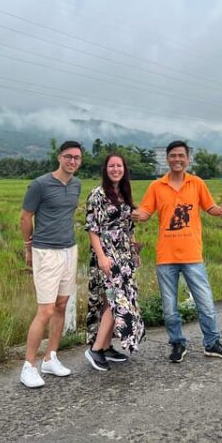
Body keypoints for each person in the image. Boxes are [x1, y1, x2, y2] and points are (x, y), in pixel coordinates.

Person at [132, 140, 222, 363]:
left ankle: (212, 343)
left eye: (181, 156)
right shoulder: (156, 187)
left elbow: (210, 207)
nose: (177, 159)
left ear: (188, 159)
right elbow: (145, 211)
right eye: (173, 155)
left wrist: (220, 211)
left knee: (205, 303)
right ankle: (177, 343)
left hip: (192, 255)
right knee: (169, 308)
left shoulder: (196, 183)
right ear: (167, 158)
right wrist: (137, 214)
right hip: (166, 256)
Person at [19, 141, 83, 388]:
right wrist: (28, 247)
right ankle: (28, 366)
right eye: (68, 157)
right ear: (59, 157)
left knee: (62, 304)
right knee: (45, 310)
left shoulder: (76, 185)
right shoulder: (40, 184)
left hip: (69, 249)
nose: (72, 162)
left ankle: (51, 357)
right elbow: (25, 217)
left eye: (77, 158)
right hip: (46, 251)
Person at [83, 154, 146, 371]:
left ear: (124, 169)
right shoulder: (97, 194)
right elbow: (92, 228)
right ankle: (96, 349)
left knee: (113, 300)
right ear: (105, 169)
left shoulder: (123, 193)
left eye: (119, 166)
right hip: (107, 254)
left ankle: (107, 346)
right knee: (115, 300)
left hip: (124, 255)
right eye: (111, 166)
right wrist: (101, 257)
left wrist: (134, 249)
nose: (115, 169)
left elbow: (129, 226)